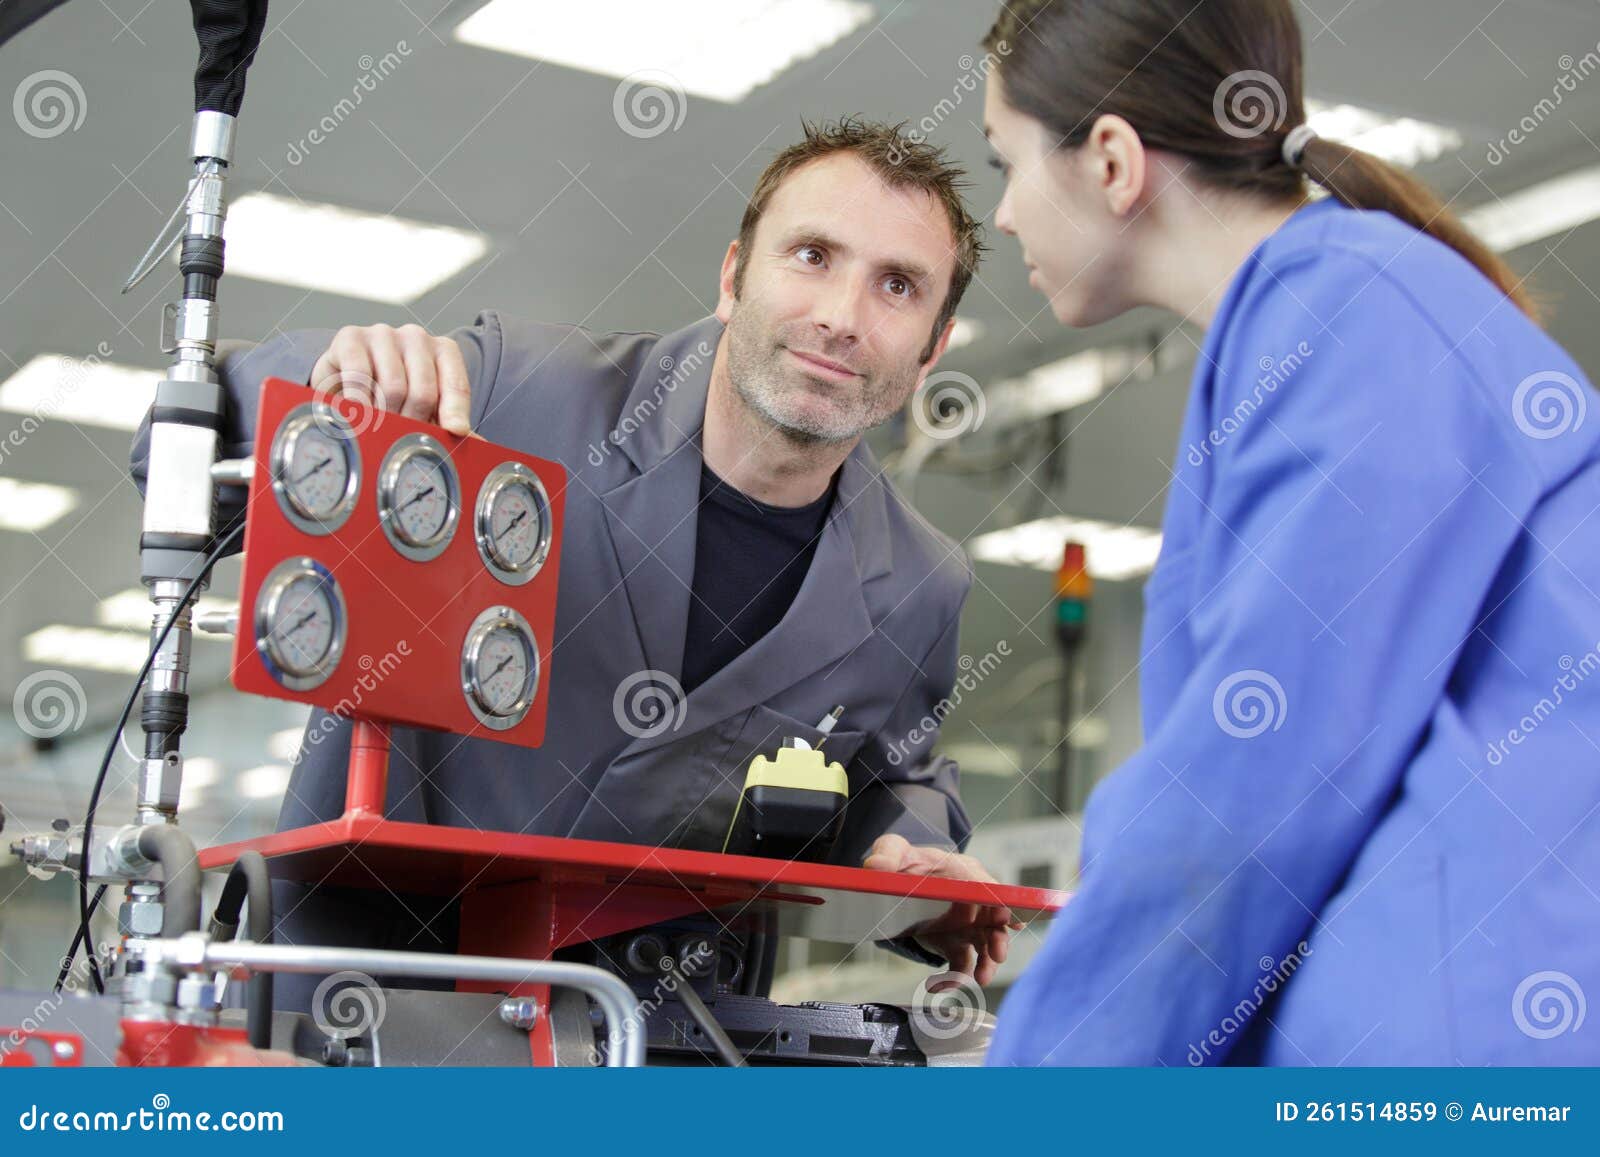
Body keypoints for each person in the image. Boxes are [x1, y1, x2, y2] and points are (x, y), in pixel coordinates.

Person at [131, 119, 1018, 1014]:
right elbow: (174, 448)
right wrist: (339, 382)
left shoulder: (919, 582)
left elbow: (891, 775)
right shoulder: (510, 394)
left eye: (897, 285)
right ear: (732, 278)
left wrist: (912, 855)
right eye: (813, 255)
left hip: (658, 1031)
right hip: (372, 1001)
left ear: (933, 349)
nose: (842, 316)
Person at [978, 0, 1600, 1065]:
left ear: (1113, 162)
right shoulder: (1309, 319)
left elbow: (1248, 789)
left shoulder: (1350, 312)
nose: (1000, 215)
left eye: (1006, 162)